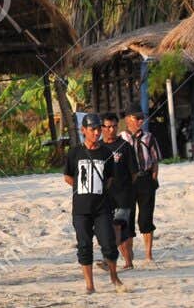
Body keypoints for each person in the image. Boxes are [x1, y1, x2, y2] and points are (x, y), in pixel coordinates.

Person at [64, 113, 126, 294]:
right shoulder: (74, 152)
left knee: (108, 243)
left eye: (99, 129)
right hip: (81, 209)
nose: (97, 132)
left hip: (102, 208)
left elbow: (110, 178)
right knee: (84, 245)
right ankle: (89, 285)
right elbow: (67, 176)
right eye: (93, 129)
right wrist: (82, 187)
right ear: (84, 131)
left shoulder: (106, 152)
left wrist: (98, 189)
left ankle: (114, 276)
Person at [99, 113, 139, 269]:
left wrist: (125, 188)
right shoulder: (98, 147)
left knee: (121, 227)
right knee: (111, 229)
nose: (111, 130)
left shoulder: (125, 147)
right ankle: (126, 262)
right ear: (101, 128)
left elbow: (134, 172)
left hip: (124, 194)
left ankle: (112, 260)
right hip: (104, 196)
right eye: (107, 126)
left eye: (114, 126)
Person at [123, 109, 162, 265]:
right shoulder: (122, 138)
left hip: (145, 179)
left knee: (146, 217)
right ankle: (129, 255)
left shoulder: (149, 137)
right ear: (128, 119)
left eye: (142, 118)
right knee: (128, 217)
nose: (140, 121)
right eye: (137, 118)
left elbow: (155, 160)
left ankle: (148, 254)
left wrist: (154, 178)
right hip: (127, 182)